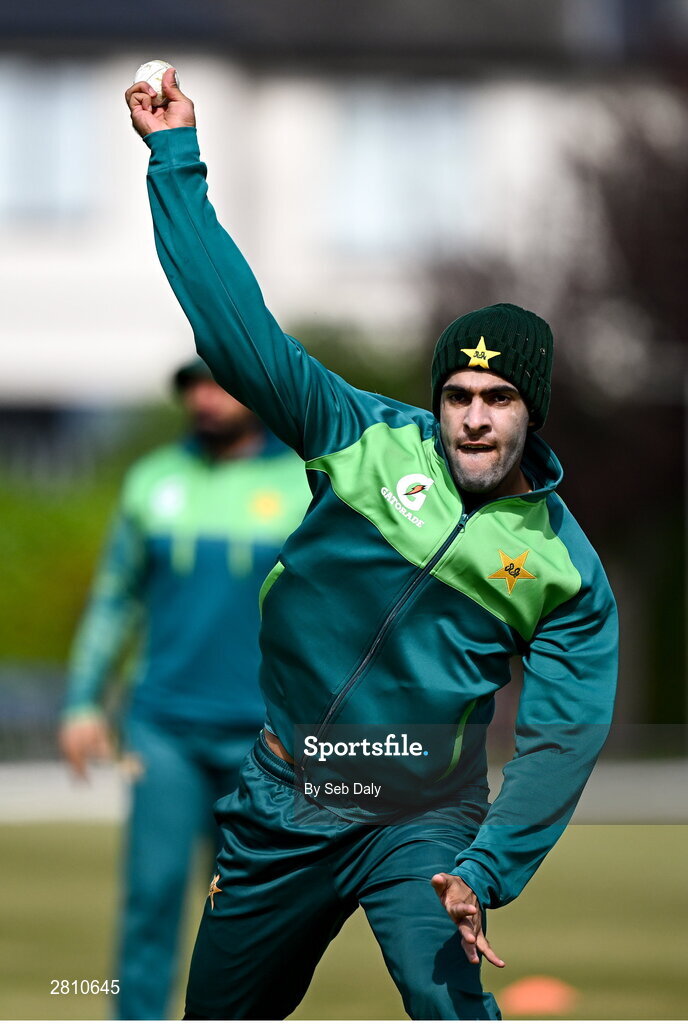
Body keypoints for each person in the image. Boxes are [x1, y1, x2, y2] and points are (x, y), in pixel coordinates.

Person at [124, 70, 618, 1021]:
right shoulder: (359, 438)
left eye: (500, 398)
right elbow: (240, 336)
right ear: (437, 401)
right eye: (459, 396)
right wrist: (176, 157)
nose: (474, 419)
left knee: (448, 1009)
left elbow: (565, 733)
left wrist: (490, 863)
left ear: (533, 411)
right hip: (283, 797)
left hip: (422, 820)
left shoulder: (565, 569)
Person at [59, 358, 311, 1020]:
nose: (206, 398)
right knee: (151, 898)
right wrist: (84, 700)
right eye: (194, 386)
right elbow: (114, 598)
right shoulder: (153, 480)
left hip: (266, 736)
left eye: (220, 383)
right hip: (161, 727)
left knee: (249, 912)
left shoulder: (304, 482)